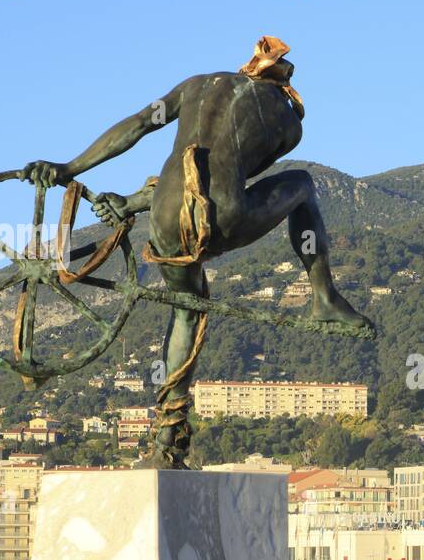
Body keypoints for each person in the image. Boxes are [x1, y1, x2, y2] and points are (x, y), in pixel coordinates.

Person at [22, 36, 371, 468]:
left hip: (167, 214)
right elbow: (222, 180)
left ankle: (166, 436)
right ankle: (324, 298)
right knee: (302, 185)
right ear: (284, 84)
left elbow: (138, 127)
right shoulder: (287, 119)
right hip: (223, 213)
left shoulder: (197, 85)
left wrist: (70, 169)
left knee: (186, 310)